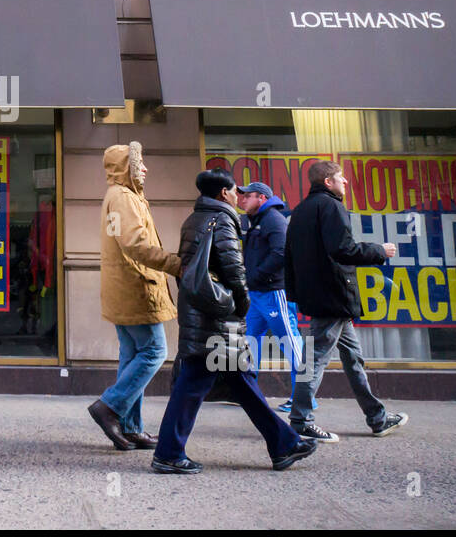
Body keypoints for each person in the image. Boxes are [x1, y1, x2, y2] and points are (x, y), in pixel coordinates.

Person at [151, 169, 317, 474]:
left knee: (242, 382)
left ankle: (284, 444)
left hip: (203, 316)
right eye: (232, 190)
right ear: (222, 193)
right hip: (215, 321)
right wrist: (243, 303)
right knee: (193, 383)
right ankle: (168, 453)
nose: (235, 195)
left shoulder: (194, 219)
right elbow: (233, 270)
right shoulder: (222, 219)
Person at [284, 160, 409, 442]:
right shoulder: (331, 207)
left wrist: (296, 294)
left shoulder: (301, 211)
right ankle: (301, 420)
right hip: (333, 297)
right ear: (327, 182)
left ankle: (377, 418)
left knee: (353, 359)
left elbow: (288, 257)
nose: (346, 182)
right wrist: (379, 251)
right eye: (341, 178)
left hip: (322, 297)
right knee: (314, 361)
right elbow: (343, 249)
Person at [88, 142, 183, 451]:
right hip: (135, 288)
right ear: (125, 168)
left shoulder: (119, 196)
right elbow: (135, 245)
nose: (145, 168)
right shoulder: (124, 197)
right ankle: (109, 407)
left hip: (123, 289)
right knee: (155, 351)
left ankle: (131, 427)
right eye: (138, 163)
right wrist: (174, 264)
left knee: (132, 355)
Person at [236, 181, 311, 413]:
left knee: (292, 343)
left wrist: (256, 276)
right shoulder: (258, 221)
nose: (242, 200)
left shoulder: (273, 220)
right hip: (258, 293)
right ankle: (247, 392)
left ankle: (305, 398)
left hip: (274, 292)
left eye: (246, 196)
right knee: (248, 340)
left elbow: (280, 253)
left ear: (260, 197)